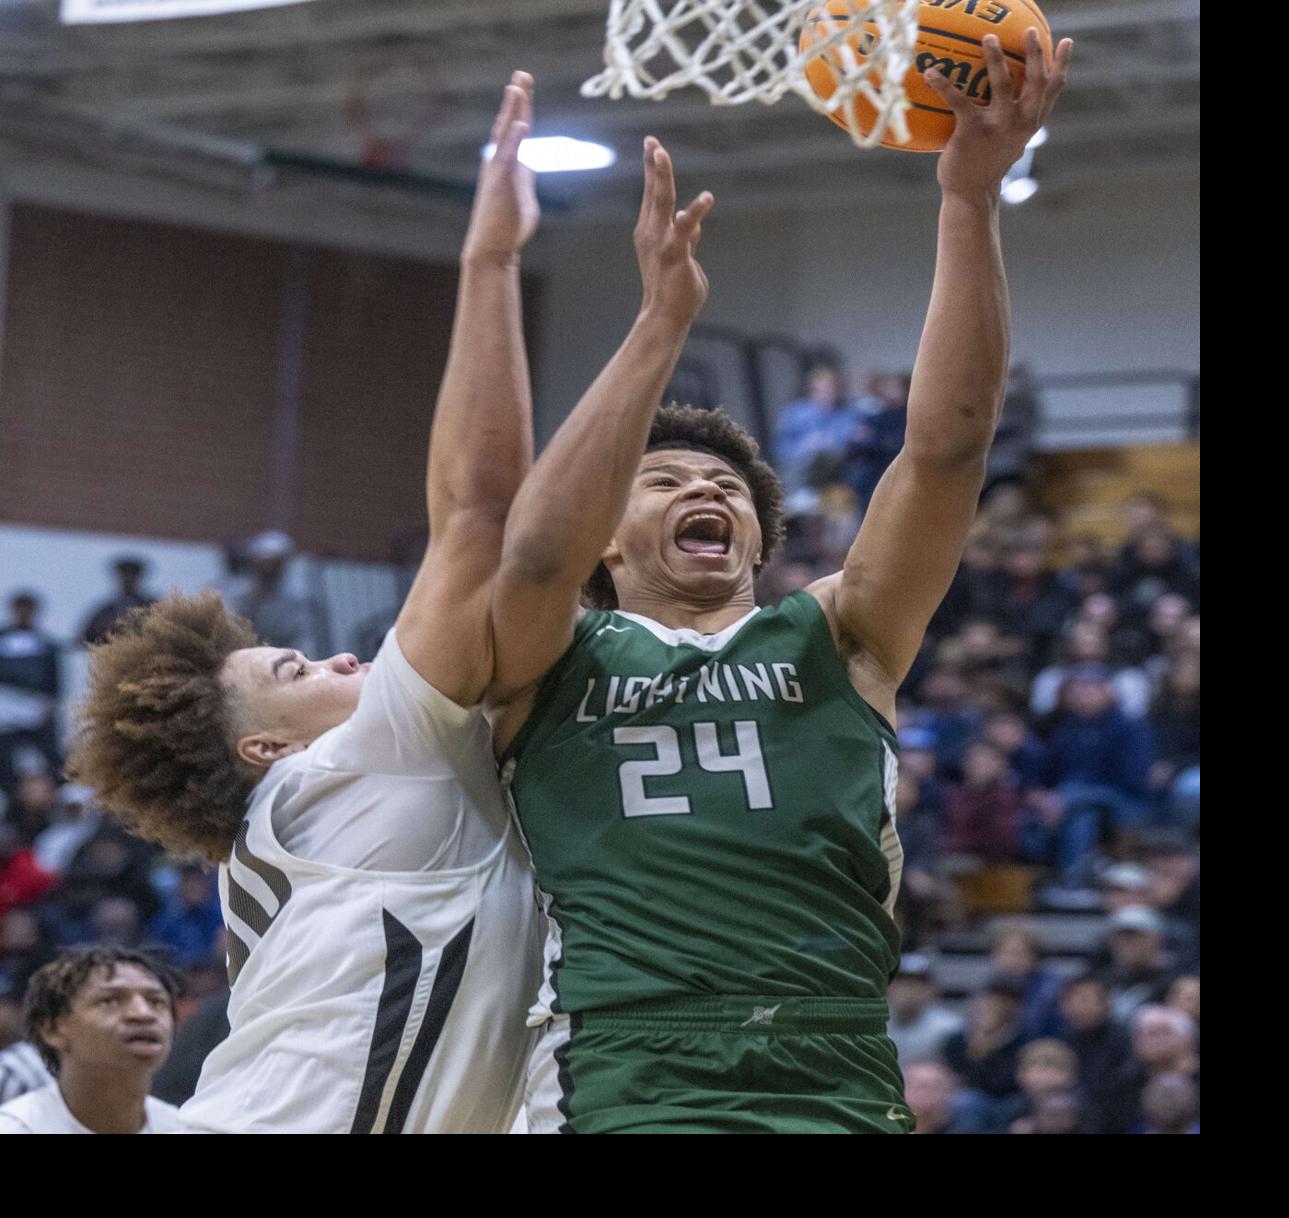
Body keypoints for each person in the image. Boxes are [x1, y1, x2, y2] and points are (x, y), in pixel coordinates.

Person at [489, 31, 1072, 1133]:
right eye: (657, 480)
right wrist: (658, 326)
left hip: (835, 1047)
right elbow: (527, 549)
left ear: (757, 536)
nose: (700, 490)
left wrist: (967, 200)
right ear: (603, 540)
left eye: (724, 485)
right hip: (629, 1055)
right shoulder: (542, 653)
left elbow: (946, 450)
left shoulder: (840, 633)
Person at [66, 75, 544, 1134]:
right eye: (293, 672)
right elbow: (477, 511)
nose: (335, 662)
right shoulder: (353, 763)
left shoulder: (287, 847)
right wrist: (490, 261)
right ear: (267, 753)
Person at [0, 947, 181, 1134]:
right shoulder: (14, 1128)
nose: (144, 1014)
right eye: (110, 1001)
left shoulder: (184, 1128)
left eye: (156, 1002)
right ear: (52, 1029)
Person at [80, 557, 157, 647]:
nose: (127, 580)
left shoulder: (153, 606)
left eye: (131, 576)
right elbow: (82, 640)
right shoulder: (105, 612)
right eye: (124, 576)